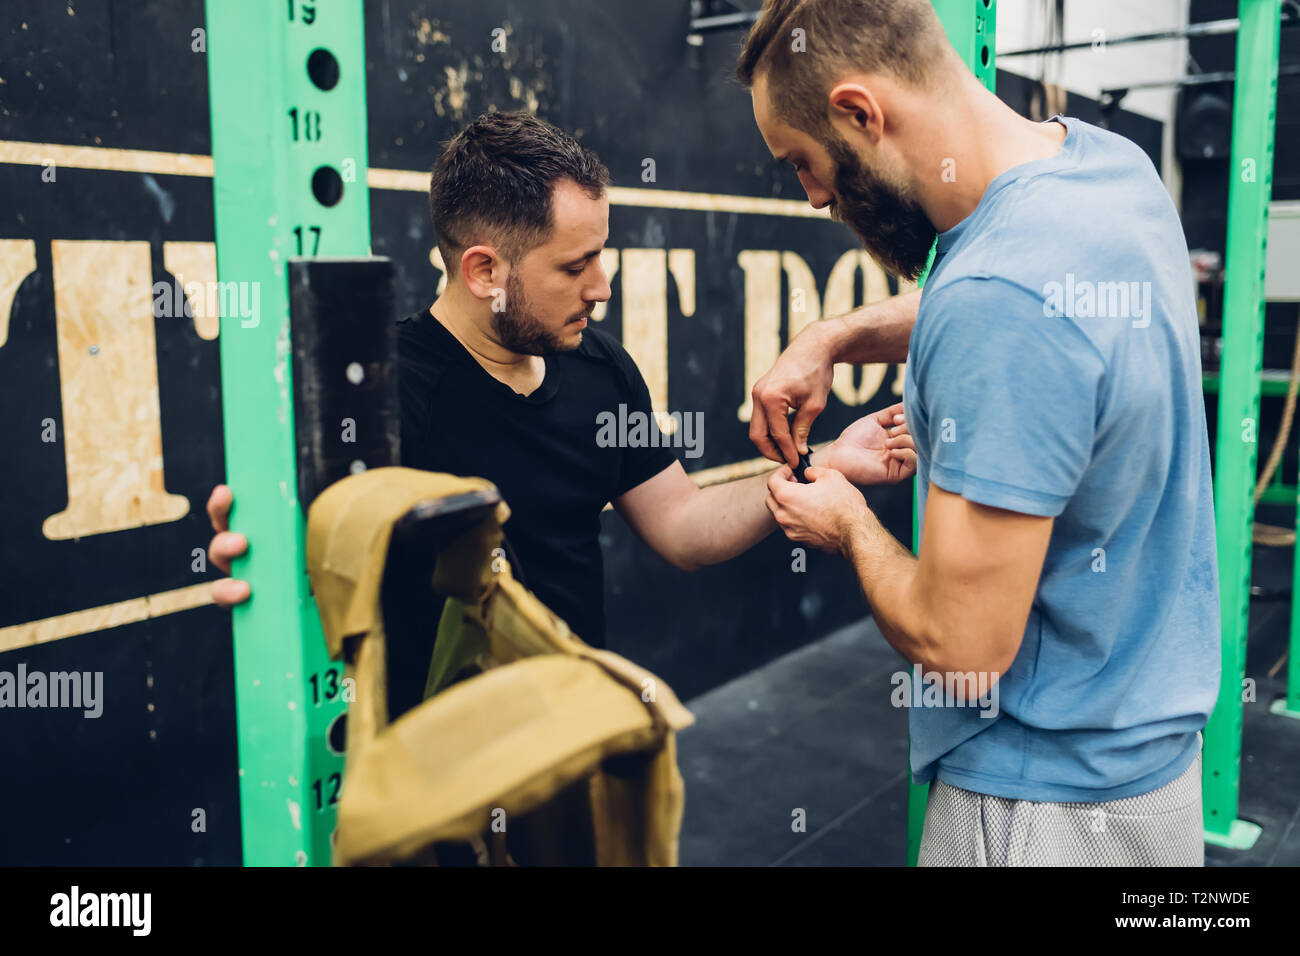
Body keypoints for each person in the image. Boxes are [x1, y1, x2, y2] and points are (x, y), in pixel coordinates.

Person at [738, 0, 1219, 866]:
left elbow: (961, 644)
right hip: (1151, 771)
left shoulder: (999, 304)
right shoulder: (1113, 171)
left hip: (1042, 805)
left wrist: (846, 521)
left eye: (804, 164)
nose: (813, 197)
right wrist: (832, 336)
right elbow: (1025, 292)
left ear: (860, 113)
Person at [207, 109, 917, 653]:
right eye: (575, 268)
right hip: (434, 786)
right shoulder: (382, 397)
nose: (602, 288)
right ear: (484, 271)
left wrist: (818, 464)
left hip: (575, 750)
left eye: (600, 257)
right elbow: (294, 561)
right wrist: (257, 562)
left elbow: (683, 526)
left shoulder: (600, 370)